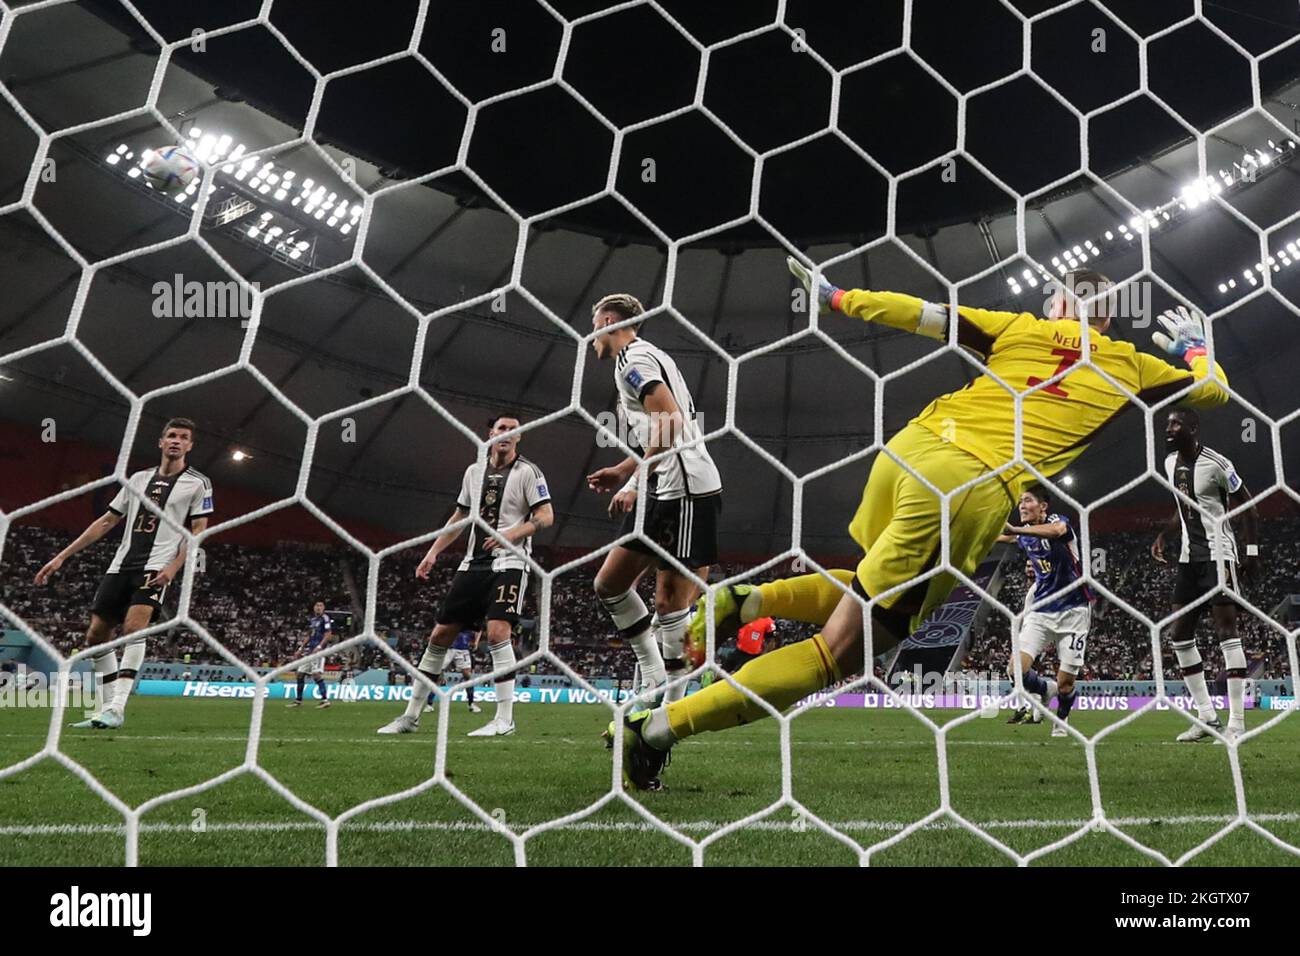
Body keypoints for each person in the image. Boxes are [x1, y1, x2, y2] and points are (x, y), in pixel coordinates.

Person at [610, 263, 1230, 790]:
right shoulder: (1129, 364)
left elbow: (924, 313)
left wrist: (836, 297)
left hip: (909, 449)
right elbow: (1212, 392)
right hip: (971, 487)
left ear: (1062, 304)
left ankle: (750, 599)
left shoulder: (1022, 326)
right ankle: (657, 729)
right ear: (1111, 317)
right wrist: (1197, 350)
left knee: (863, 585)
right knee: (841, 653)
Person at [586, 293, 723, 706]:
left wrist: (632, 484)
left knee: (669, 601)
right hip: (664, 482)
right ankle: (653, 675)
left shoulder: (632, 360)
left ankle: (669, 704)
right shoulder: (644, 356)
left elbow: (670, 419)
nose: (591, 336)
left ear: (607, 320)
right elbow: (660, 429)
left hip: (685, 486)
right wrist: (626, 471)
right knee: (609, 584)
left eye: (594, 325)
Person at [378, 414, 552, 737]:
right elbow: (460, 517)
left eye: (513, 431)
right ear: (490, 434)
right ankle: (411, 716)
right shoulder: (474, 472)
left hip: (510, 562)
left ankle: (504, 719)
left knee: (498, 632)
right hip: (473, 564)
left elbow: (546, 515)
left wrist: (512, 534)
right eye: (501, 428)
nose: (506, 434)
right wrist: (433, 551)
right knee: (439, 635)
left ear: (519, 438)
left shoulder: (529, 472)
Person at [35, 418, 212, 729]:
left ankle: (117, 708)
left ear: (190, 446)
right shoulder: (138, 479)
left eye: (183, 438)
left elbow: (198, 532)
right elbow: (106, 521)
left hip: (156, 567)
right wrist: (62, 556)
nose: (176, 441)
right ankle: (105, 711)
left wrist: (172, 568)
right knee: (95, 637)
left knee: (134, 629)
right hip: (120, 566)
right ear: (161, 442)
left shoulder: (198, 483)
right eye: (171, 435)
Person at [1153, 408, 1258, 743]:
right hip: (1188, 558)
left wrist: (1251, 553)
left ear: (1193, 428)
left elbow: (1249, 508)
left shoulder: (1217, 463)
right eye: (1167, 423)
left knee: (1226, 630)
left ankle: (1237, 724)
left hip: (1218, 556)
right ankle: (1207, 717)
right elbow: (1182, 507)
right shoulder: (1169, 463)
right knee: (1179, 634)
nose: (1168, 428)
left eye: (1175, 423)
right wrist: (1164, 535)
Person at [996, 487, 1092, 737]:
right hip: (1041, 610)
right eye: (1020, 502)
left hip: (1074, 610)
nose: (1022, 506)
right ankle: (1044, 689)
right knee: (1015, 669)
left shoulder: (1058, 523)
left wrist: (1016, 529)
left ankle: (1061, 718)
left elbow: (1058, 531)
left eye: (1027, 500)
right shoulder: (1024, 536)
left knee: (1066, 683)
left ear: (1043, 507)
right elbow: (997, 537)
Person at [425, 627, 482, 715]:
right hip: (448, 648)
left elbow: (479, 629)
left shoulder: (472, 616)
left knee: (467, 675)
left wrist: (476, 642)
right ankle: (429, 704)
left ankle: (471, 704)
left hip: (463, 648)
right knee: (438, 674)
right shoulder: (452, 615)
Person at [287, 600, 333, 709]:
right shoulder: (313, 620)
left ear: (324, 608)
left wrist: (319, 647)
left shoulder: (325, 618)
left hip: (318, 651)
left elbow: (328, 635)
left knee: (316, 675)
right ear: (314, 607)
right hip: (309, 651)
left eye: (321, 605)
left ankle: (325, 700)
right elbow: (309, 635)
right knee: (300, 674)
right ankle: (298, 701)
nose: (318, 607)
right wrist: (301, 648)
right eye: (317, 605)